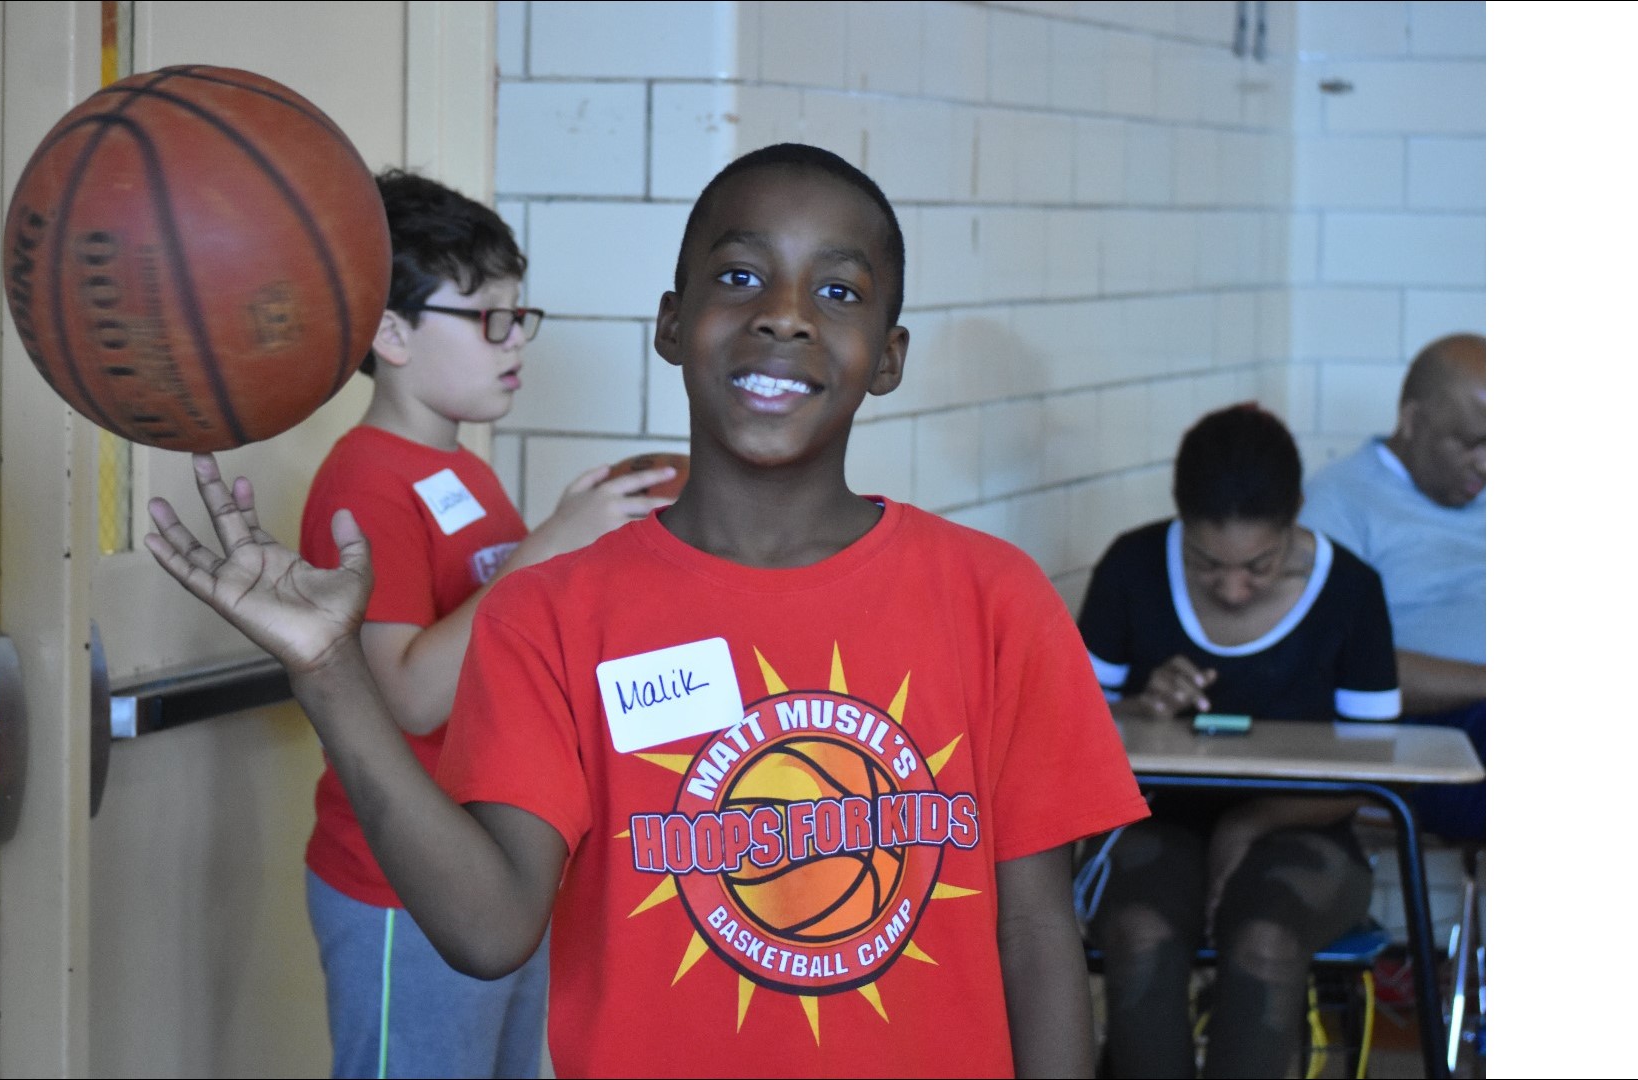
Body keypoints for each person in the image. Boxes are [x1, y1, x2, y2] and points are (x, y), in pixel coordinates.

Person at [144, 144, 1149, 1077]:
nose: (786, 315)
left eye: (837, 291)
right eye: (741, 275)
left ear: (887, 357)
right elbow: (490, 933)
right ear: (671, 324)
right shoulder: (550, 613)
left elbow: (1036, 934)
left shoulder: (995, 599)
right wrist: (330, 676)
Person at [293, 170, 676, 1078]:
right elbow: (408, 693)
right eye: (487, 318)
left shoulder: (464, 470)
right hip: (403, 885)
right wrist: (551, 543)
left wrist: (590, 556)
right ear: (391, 333)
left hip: (498, 870)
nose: (514, 342)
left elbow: (499, 643)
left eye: (518, 315)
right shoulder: (364, 482)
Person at [1076, 404, 1401, 1079]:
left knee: (1265, 944)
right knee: (1141, 935)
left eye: (1260, 564)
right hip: (1149, 821)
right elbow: (1066, 728)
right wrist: (1137, 706)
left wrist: (1253, 819)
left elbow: (1375, 771)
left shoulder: (1350, 592)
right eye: (1204, 563)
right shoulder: (1133, 566)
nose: (1231, 588)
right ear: (1179, 519)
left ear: (1296, 516)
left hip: (1308, 828)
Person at [1302, 333, 1485, 840]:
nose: (1486, 465)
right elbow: (1337, 667)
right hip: (1440, 731)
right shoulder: (1339, 504)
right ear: (1411, 419)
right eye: (1469, 443)